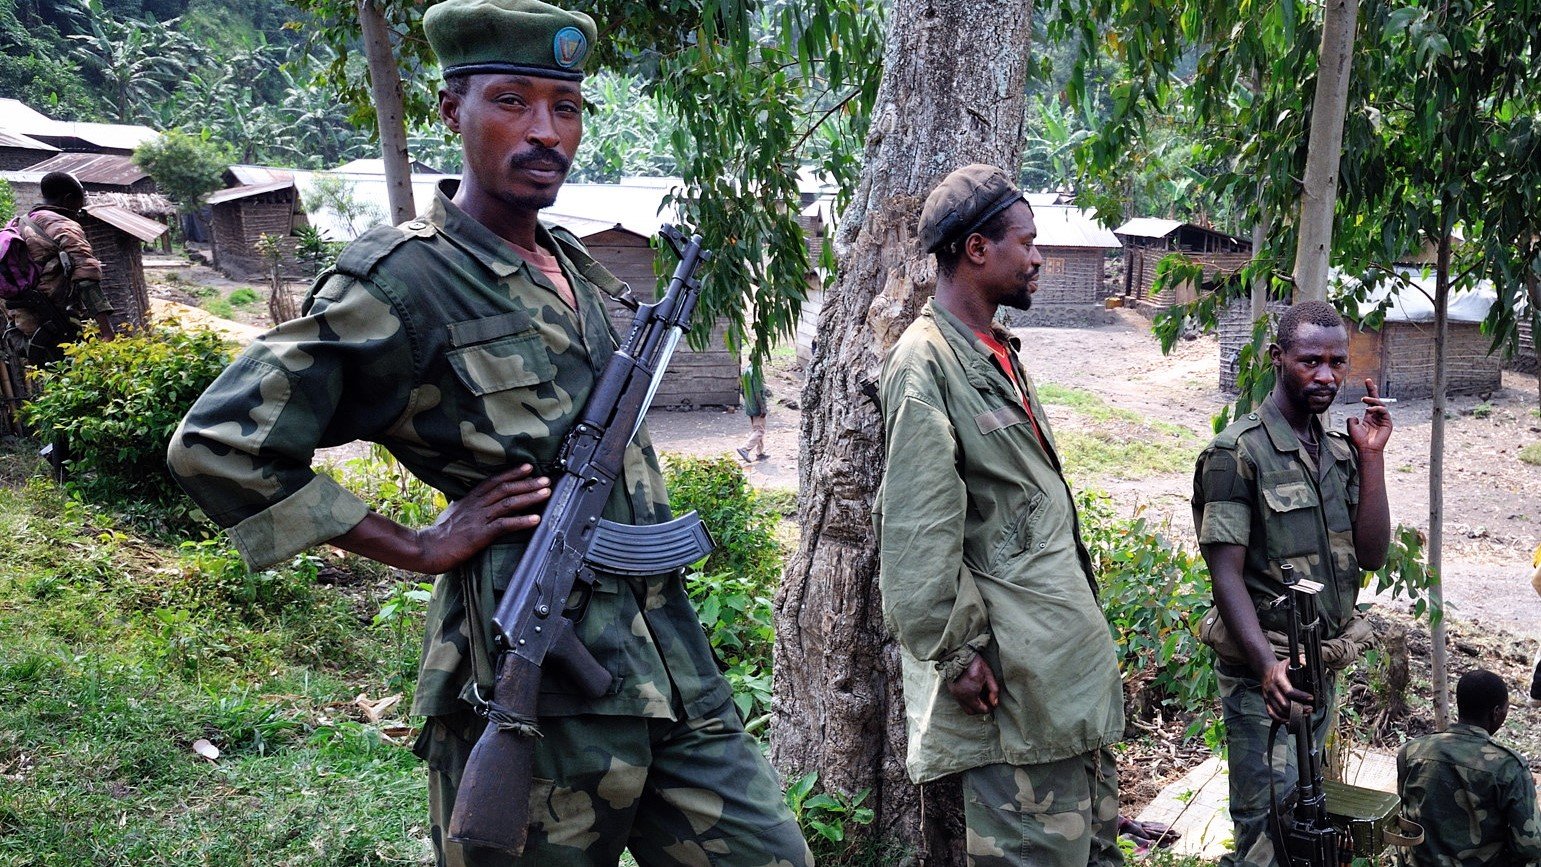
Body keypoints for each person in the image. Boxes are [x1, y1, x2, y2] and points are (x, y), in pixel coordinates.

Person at [165, 2, 811, 864]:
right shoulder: (402, 280)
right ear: (450, 110)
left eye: (566, 107)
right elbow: (219, 443)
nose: (545, 130)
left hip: (671, 666)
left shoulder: (572, 262)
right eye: (512, 100)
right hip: (536, 678)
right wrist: (414, 544)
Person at [874, 164, 1126, 866]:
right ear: (976, 249)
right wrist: (953, 649)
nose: (1039, 256)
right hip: (1013, 689)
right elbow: (917, 523)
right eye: (1026, 240)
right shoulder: (924, 363)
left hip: (1058, 681)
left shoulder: (994, 352)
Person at [1191, 299, 1394, 866]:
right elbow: (1224, 575)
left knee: (1306, 821)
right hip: (1268, 675)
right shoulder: (1238, 453)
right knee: (1264, 833)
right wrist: (1265, 668)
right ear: (1278, 359)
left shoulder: (1338, 452)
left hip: (1317, 668)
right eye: (1311, 361)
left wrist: (1371, 458)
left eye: (1337, 361)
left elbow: (1372, 554)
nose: (1327, 376)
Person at [1398, 668, 1541, 866]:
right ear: (1496, 713)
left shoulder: (1411, 751)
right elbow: (1529, 845)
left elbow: (1404, 812)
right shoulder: (1509, 767)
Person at [2, 170, 116, 365]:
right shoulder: (62, 225)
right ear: (69, 198)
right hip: (59, 322)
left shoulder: (16, 223)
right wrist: (107, 331)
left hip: (27, 324)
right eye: (80, 204)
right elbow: (86, 276)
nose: (80, 210)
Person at [736, 360, 768, 463]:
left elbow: (742, 390)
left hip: (750, 405)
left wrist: (748, 403)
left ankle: (760, 452)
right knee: (760, 430)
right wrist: (762, 407)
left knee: (757, 429)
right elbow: (758, 392)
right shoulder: (755, 372)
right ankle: (745, 449)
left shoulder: (745, 371)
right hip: (757, 405)